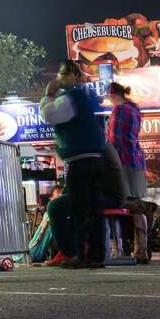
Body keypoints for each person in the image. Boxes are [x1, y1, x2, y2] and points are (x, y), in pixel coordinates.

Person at [40, 59, 107, 269]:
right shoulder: (84, 97)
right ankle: (96, 255)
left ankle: (79, 254)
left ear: (76, 77)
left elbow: (51, 115)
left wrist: (48, 96)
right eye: (61, 74)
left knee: (81, 210)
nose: (62, 78)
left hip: (81, 161)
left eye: (66, 74)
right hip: (93, 160)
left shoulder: (72, 97)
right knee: (93, 210)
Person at [106, 83, 148, 199]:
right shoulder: (134, 109)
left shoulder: (119, 109)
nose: (110, 101)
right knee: (137, 204)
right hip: (136, 161)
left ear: (114, 95)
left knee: (127, 203)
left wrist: (109, 161)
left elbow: (116, 140)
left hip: (124, 162)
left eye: (109, 97)